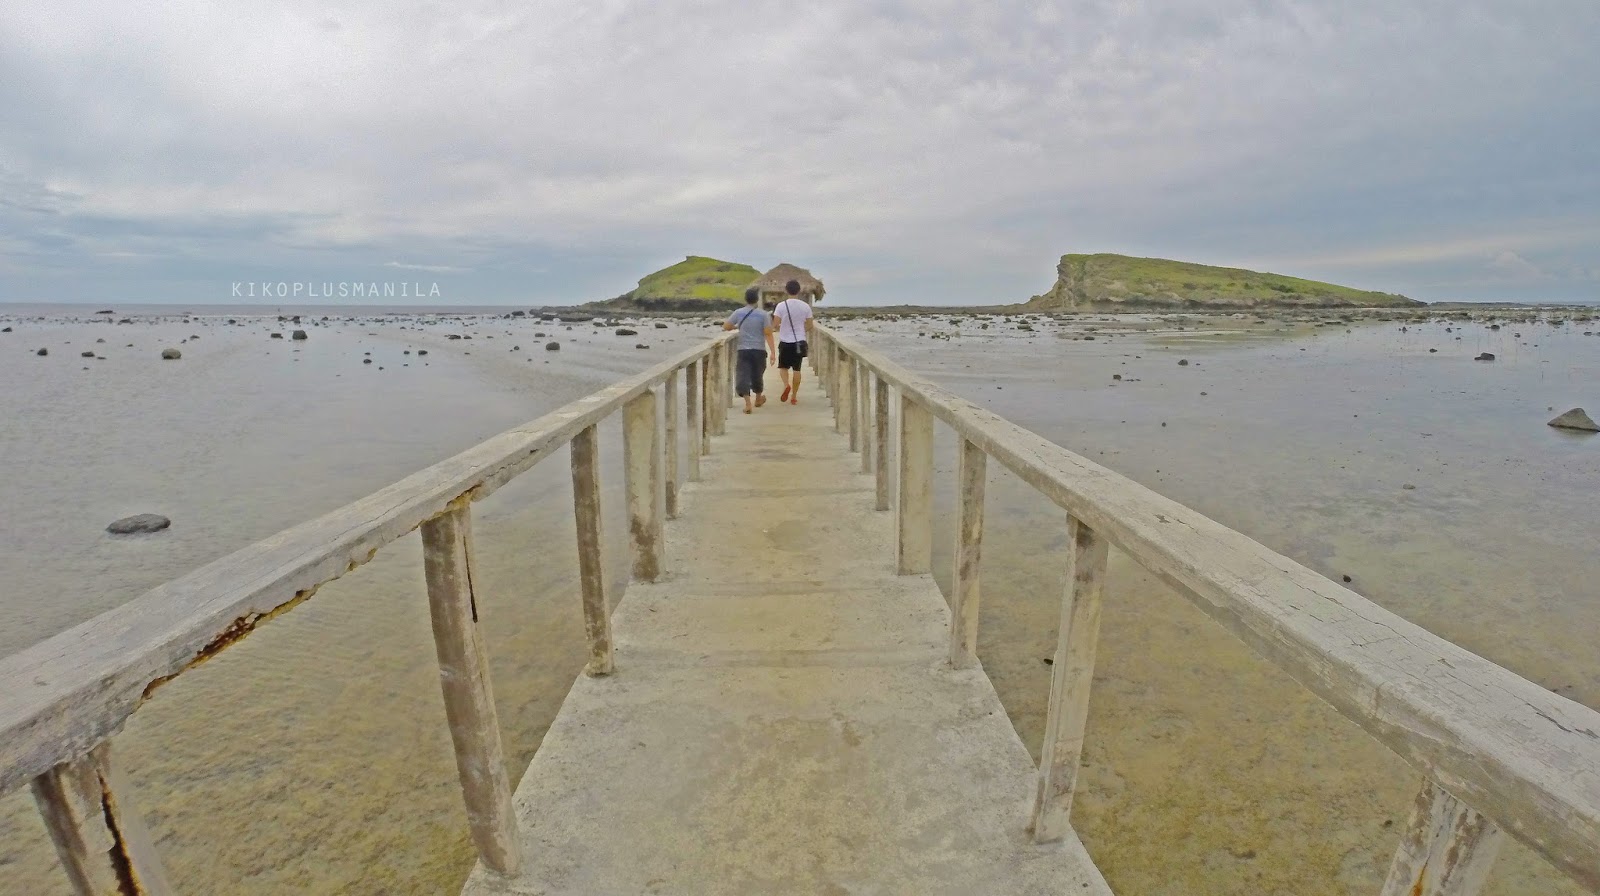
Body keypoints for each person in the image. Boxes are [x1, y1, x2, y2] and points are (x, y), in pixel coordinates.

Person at [723, 287, 775, 414]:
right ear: (757, 300)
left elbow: (726, 326)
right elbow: (768, 333)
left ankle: (747, 403)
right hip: (759, 349)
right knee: (758, 374)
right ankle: (758, 398)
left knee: (743, 375)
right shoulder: (763, 314)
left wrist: (737, 326)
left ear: (745, 299)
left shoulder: (738, 313)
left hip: (743, 349)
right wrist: (773, 352)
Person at [771, 279, 813, 405]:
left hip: (785, 341)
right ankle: (794, 396)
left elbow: (775, 324)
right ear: (799, 291)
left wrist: (778, 328)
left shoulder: (781, 306)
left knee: (783, 367)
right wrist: (801, 330)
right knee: (797, 369)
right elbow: (810, 325)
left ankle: (786, 385)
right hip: (799, 341)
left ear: (786, 290)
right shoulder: (805, 306)